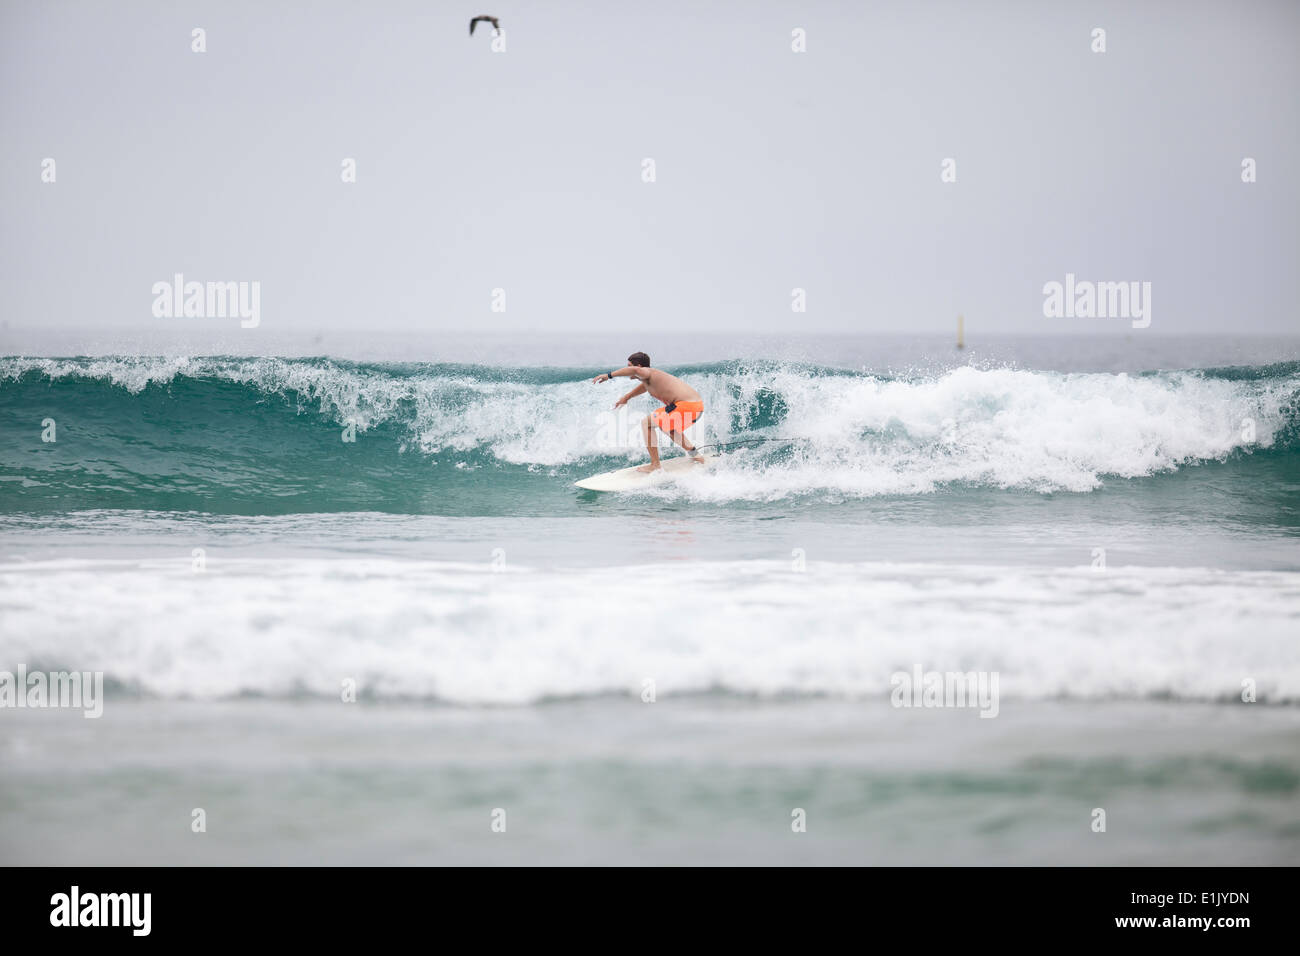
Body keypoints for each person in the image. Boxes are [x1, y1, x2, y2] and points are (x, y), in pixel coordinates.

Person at [592, 352, 705, 473]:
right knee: (668, 428)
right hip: (696, 408)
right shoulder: (650, 378)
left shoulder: (647, 371)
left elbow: (635, 370)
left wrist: (608, 375)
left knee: (647, 423)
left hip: (686, 406)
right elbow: (644, 387)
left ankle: (655, 465)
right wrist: (627, 397)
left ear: (639, 366)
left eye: (629, 365)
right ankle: (696, 455)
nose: (628, 368)